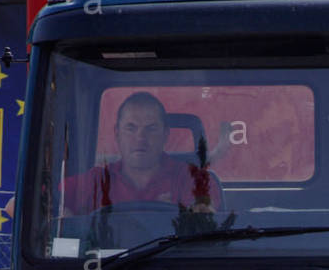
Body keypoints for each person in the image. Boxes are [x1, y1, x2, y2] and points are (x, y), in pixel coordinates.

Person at [60, 90, 222, 216]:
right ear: (117, 133)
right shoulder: (97, 180)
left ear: (166, 134)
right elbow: (50, 199)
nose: (140, 138)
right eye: (131, 128)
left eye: (151, 128)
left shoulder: (191, 179)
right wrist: (63, 215)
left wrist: (199, 209)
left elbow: (205, 204)